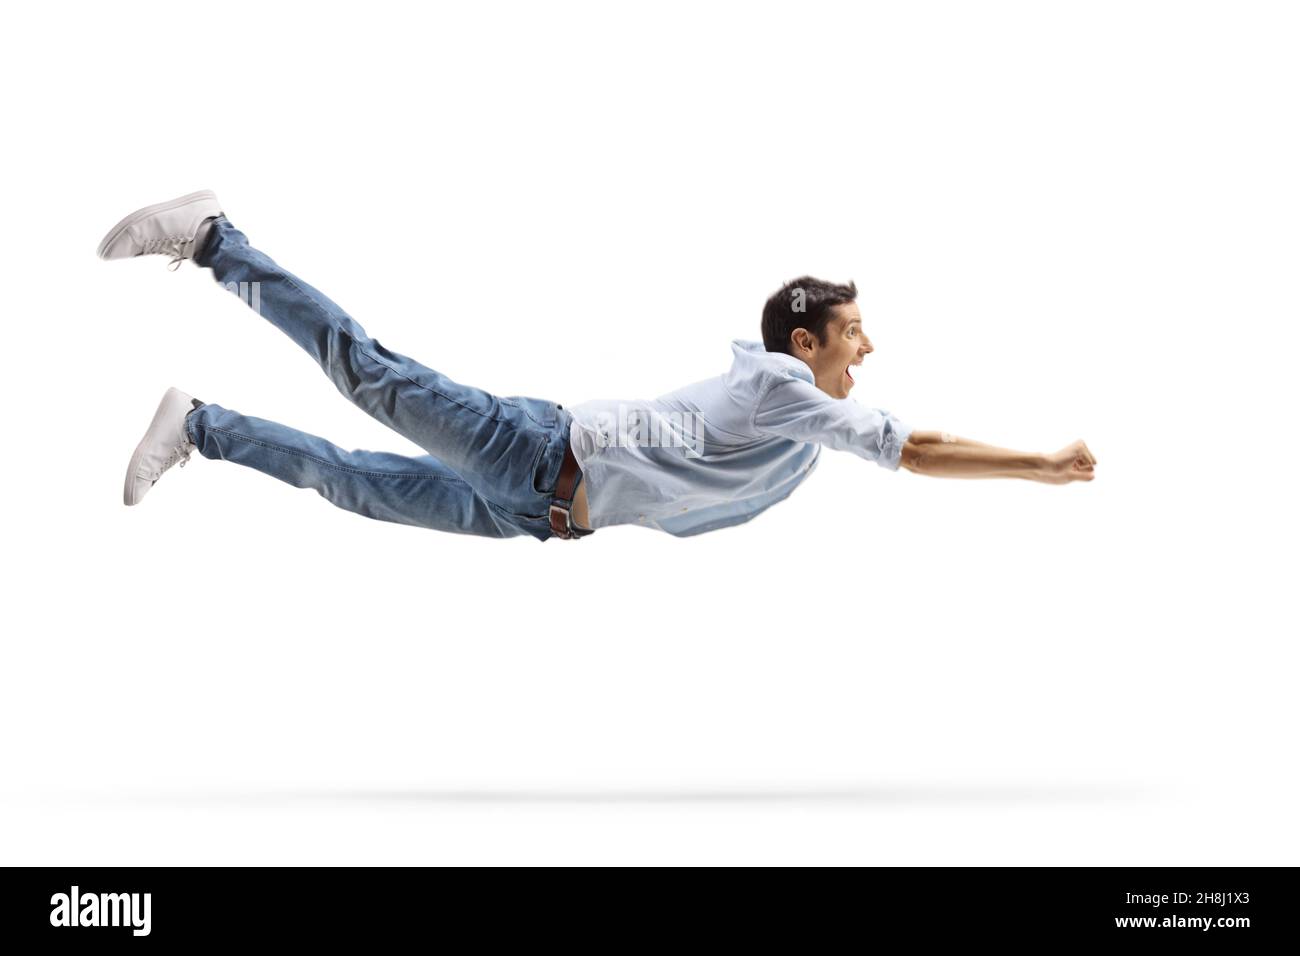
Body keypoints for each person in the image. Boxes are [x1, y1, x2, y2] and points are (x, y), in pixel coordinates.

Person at [98, 191, 1097, 542]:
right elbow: (913, 448)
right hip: (533, 447)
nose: (868, 347)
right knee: (364, 369)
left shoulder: (796, 438)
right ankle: (214, 235)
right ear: (805, 344)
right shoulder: (784, 391)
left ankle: (198, 426)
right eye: (854, 332)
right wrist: (1040, 467)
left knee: (352, 483)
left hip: (541, 512)